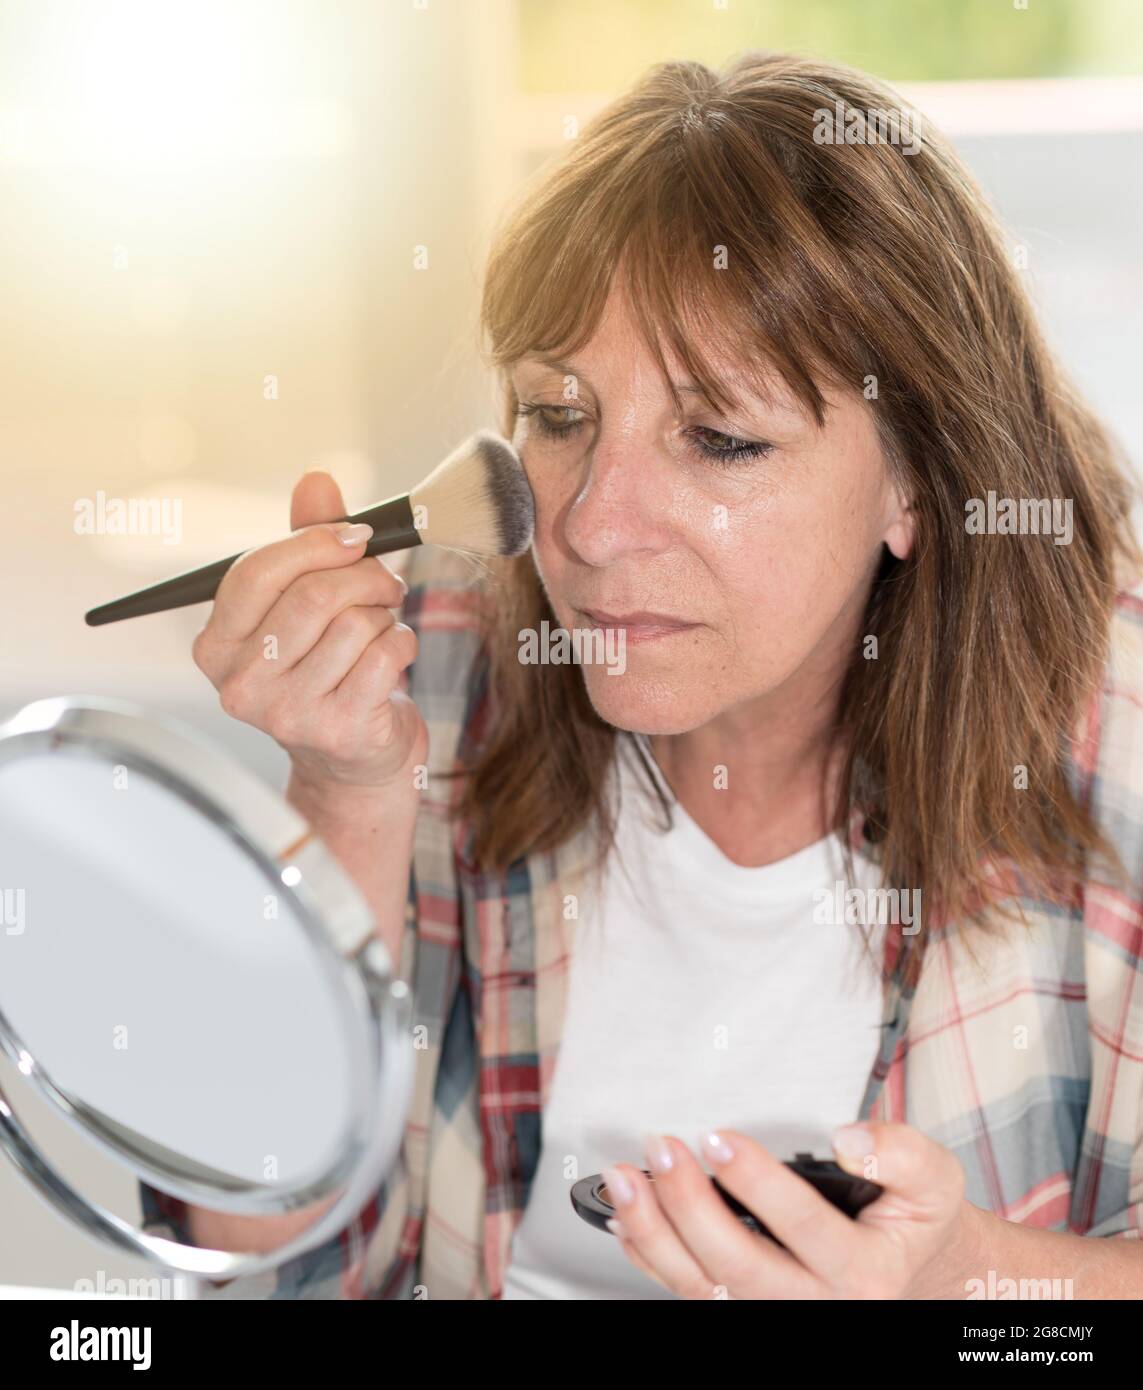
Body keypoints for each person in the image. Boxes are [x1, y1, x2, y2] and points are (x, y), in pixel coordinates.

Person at [142, 51, 1143, 1299]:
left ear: (916, 481)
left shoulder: (1118, 725)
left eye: (720, 439)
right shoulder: (436, 653)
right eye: (560, 417)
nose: (592, 526)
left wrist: (967, 1283)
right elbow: (252, 1251)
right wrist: (346, 796)